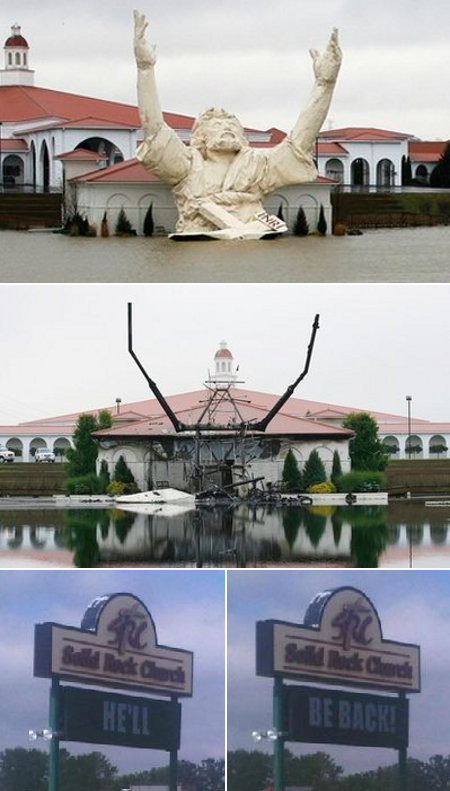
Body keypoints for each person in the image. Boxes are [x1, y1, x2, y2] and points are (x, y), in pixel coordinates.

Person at [133, 10, 342, 239]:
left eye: (232, 123)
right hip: (198, 245)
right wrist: (145, 69)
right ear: (200, 136)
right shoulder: (188, 166)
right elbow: (155, 131)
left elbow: (299, 143)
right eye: (216, 124)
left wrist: (325, 84)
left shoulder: (258, 166)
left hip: (255, 242)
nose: (226, 127)